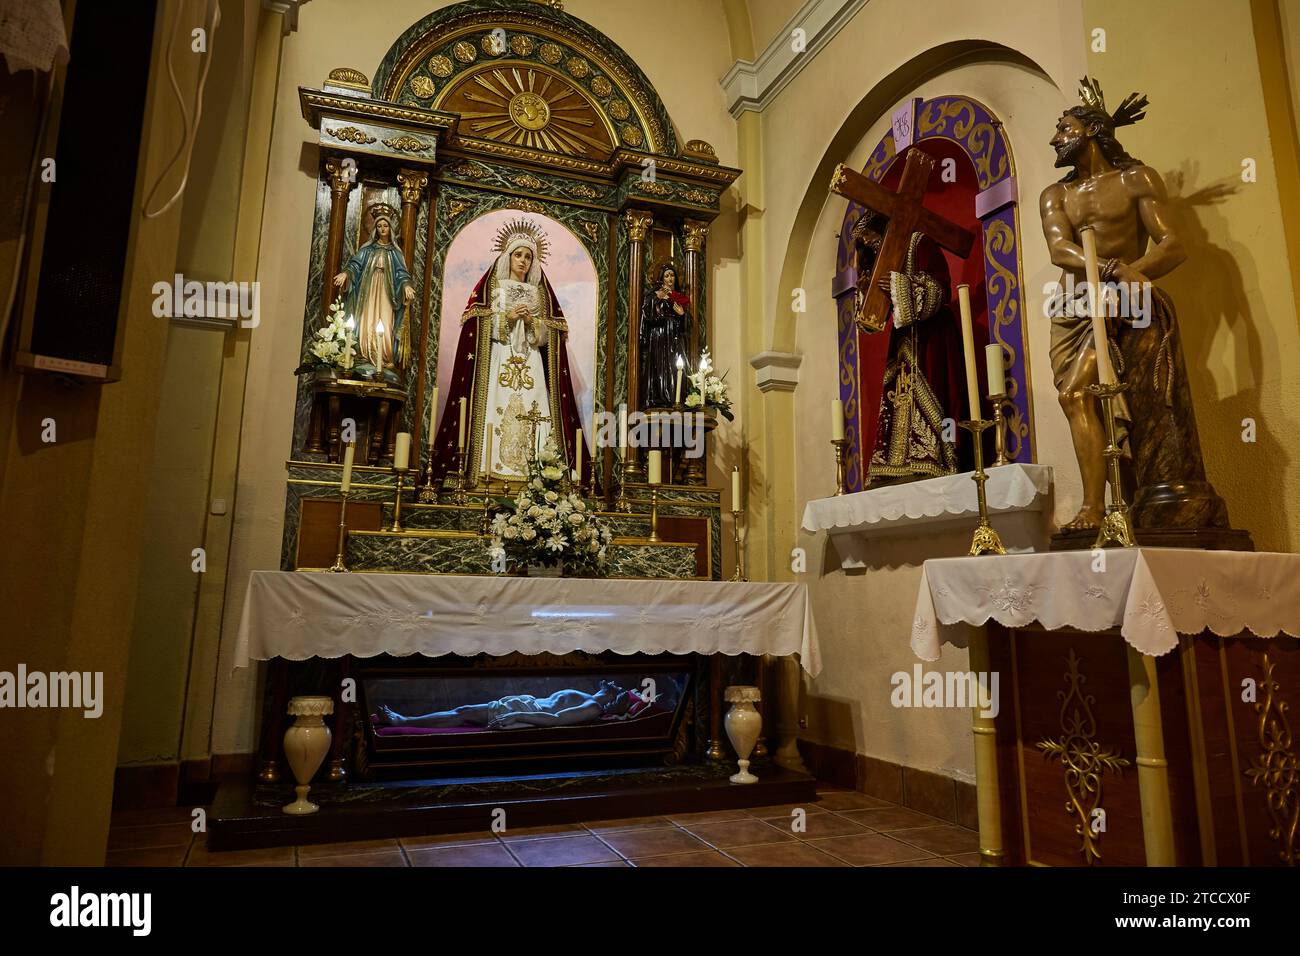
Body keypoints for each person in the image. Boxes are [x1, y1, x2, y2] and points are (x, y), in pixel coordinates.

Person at [431, 218, 588, 484]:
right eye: (518, 255)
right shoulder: (495, 288)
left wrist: (532, 322)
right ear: (508, 257)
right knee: (496, 407)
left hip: (531, 362)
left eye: (528, 256)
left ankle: (539, 477)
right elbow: (478, 326)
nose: (523, 261)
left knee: (535, 411)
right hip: (500, 358)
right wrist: (507, 318)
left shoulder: (539, 294)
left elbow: (549, 337)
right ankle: (486, 471)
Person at [852, 210, 964, 484]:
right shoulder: (880, 260)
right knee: (898, 397)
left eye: (871, 238)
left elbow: (939, 287)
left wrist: (899, 285)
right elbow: (871, 322)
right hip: (902, 341)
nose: (870, 245)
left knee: (937, 392)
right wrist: (867, 292)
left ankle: (938, 456)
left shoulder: (918, 243)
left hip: (932, 338)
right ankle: (897, 464)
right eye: (865, 243)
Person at [331, 203, 416, 383]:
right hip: (368, 291)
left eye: (385, 226)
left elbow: (402, 274)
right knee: (366, 320)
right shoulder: (367, 250)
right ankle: (363, 354)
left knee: (386, 322)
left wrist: (406, 286)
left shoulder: (395, 253)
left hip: (387, 293)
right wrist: (346, 274)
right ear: (375, 229)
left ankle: (384, 357)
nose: (382, 229)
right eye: (379, 226)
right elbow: (355, 265)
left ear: (390, 229)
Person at [375, 680, 650, 731]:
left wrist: (517, 715)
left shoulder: (593, 708)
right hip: (525, 704)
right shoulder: (589, 695)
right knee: (464, 711)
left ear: (616, 705)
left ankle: (403, 721)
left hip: (527, 711)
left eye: (621, 693)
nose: (615, 686)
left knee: (463, 713)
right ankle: (405, 719)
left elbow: (555, 720)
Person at [638, 261, 690, 409]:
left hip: (674, 335)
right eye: (666, 276)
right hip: (659, 334)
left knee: (675, 366)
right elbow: (647, 315)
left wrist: (682, 315)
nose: (670, 278)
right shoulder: (653, 294)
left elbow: (686, 326)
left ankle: (674, 398)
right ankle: (658, 397)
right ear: (661, 278)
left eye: (672, 275)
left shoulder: (679, 297)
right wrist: (658, 299)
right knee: (659, 364)